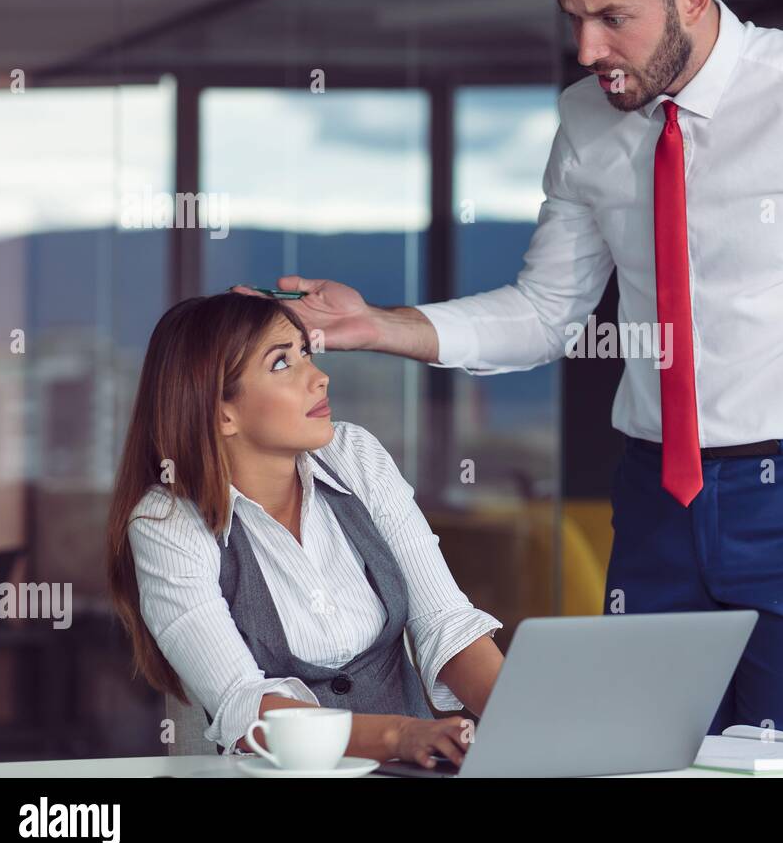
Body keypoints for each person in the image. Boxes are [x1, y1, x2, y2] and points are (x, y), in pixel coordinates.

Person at [238, 0, 783, 736]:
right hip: (656, 496)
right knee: (650, 750)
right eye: (574, 19)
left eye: (614, 19)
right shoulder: (585, 121)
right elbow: (543, 314)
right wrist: (380, 326)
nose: (587, 50)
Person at [106, 293, 503, 768]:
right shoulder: (166, 523)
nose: (319, 377)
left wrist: (527, 722)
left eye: (305, 353)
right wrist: (401, 733)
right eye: (281, 363)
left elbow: (447, 624)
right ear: (221, 412)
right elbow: (244, 706)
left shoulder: (355, 457)